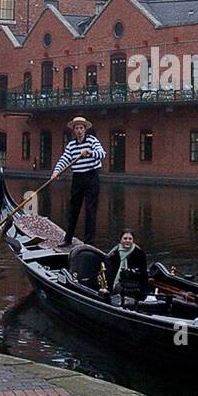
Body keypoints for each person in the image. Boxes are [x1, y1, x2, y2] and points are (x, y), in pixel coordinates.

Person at [52, 116, 104, 248]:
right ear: (74, 130)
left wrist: (90, 152)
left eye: (81, 128)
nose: (79, 130)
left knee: (90, 210)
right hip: (78, 179)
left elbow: (102, 153)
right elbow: (64, 159)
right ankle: (67, 239)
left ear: (85, 129)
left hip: (92, 177)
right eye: (77, 128)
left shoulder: (92, 140)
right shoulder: (71, 145)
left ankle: (89, 243)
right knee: (73, 210)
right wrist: (56, 172)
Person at [106, 230, 148, 299]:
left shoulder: (139, 253)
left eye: (130, 239)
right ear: (120, 240)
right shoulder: (114, 253)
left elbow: (144, 274)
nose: (127, 241)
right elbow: (111, 271)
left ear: (133, 240)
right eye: (125, 238)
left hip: (134, 285)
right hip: (117, 282)